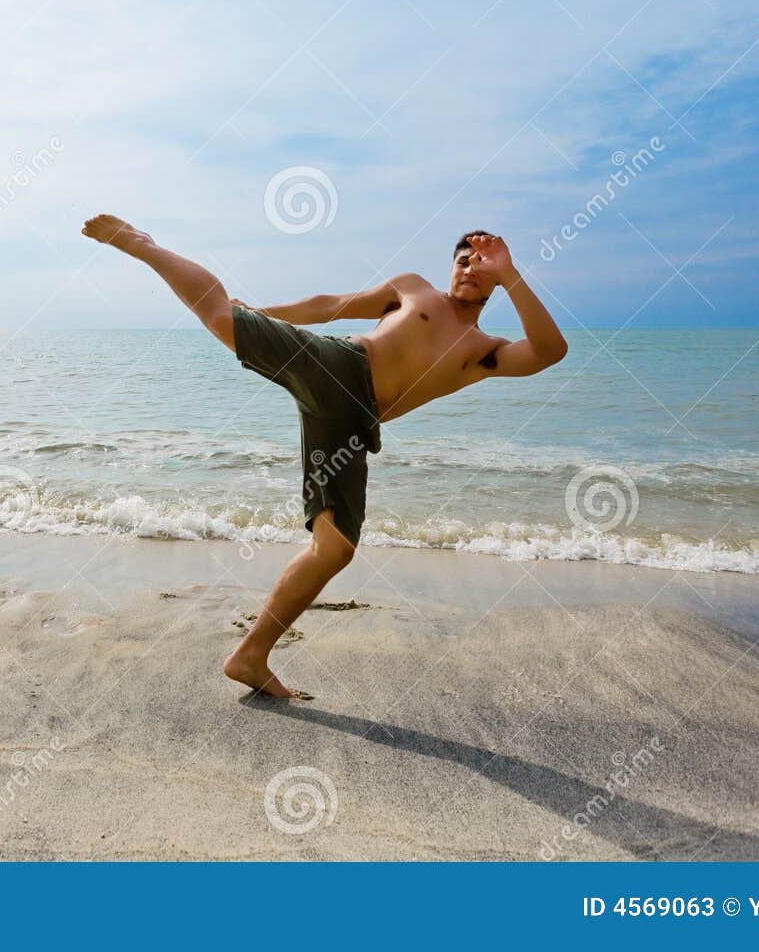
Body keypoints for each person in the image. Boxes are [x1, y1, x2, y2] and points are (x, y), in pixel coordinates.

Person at [81, 214, 568, 697]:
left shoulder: (484, 351)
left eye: (483, 266)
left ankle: (249, 656)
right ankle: (143, 245)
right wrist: (266, 315)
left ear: (498, 280)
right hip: (336, 364)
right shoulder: (413, 288)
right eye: (464, 260)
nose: (470, 269)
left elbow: (550, 351)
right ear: (450, 267)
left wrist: (512, 272)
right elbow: (332, 305)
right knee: (221, 317)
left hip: (353, 426)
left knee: (335, 549)